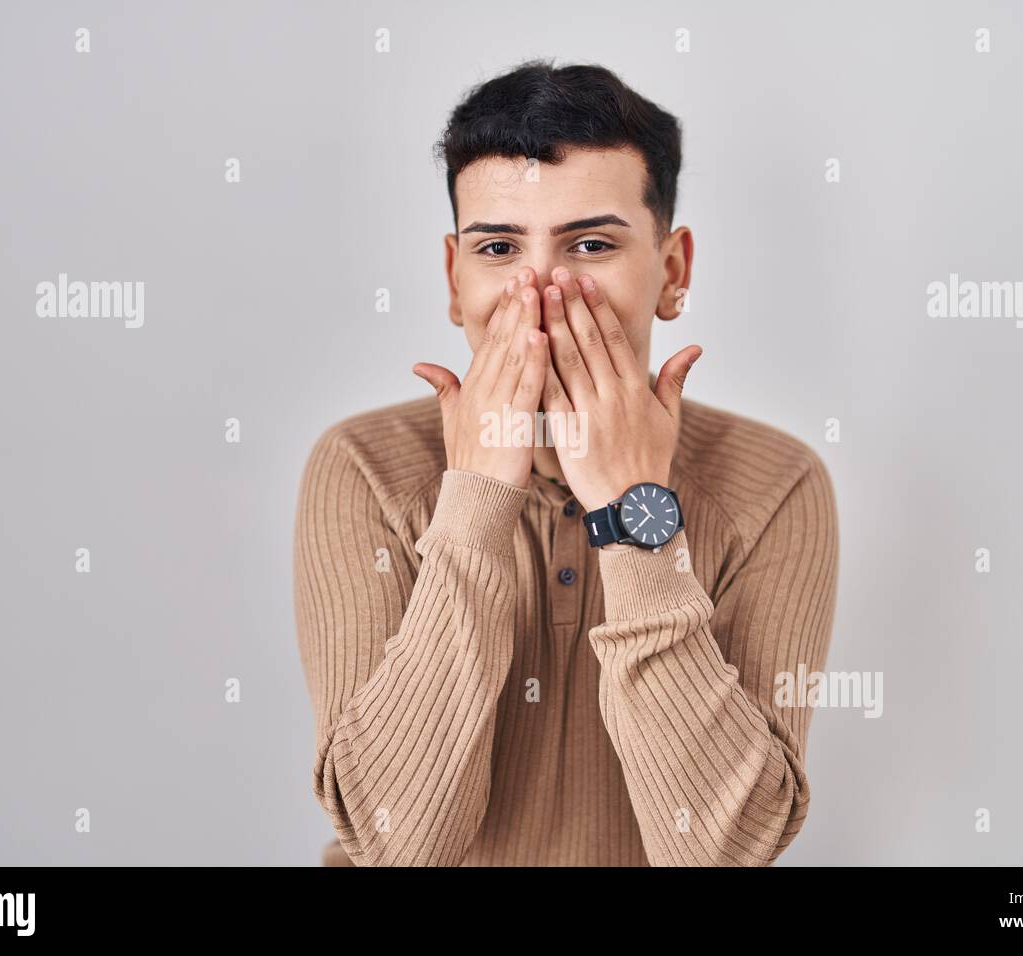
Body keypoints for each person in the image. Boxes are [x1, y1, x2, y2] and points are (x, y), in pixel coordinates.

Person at [293, 59, 839, 866]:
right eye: (499, 247)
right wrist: (475, 502)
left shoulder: (778, 484)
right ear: (455, 279)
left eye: (591, 243)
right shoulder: (364, 468)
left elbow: (724, 849)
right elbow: (396, 844)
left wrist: (633, 512)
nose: (542, 294)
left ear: (672, 270)